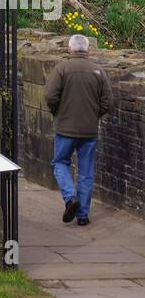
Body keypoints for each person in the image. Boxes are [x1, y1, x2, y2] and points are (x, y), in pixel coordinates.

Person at [44, 35, 113, 226]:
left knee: (59, 163)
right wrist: (93, 115)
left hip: (65, 129)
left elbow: (50, 96)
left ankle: (70, 197)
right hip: (89, 131)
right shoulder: (98, 71)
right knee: (86, 172)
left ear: (70, 49)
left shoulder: (62, 69)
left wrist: (58, 112)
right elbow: (108, 101)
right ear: (88, 50)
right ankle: (83, 215)